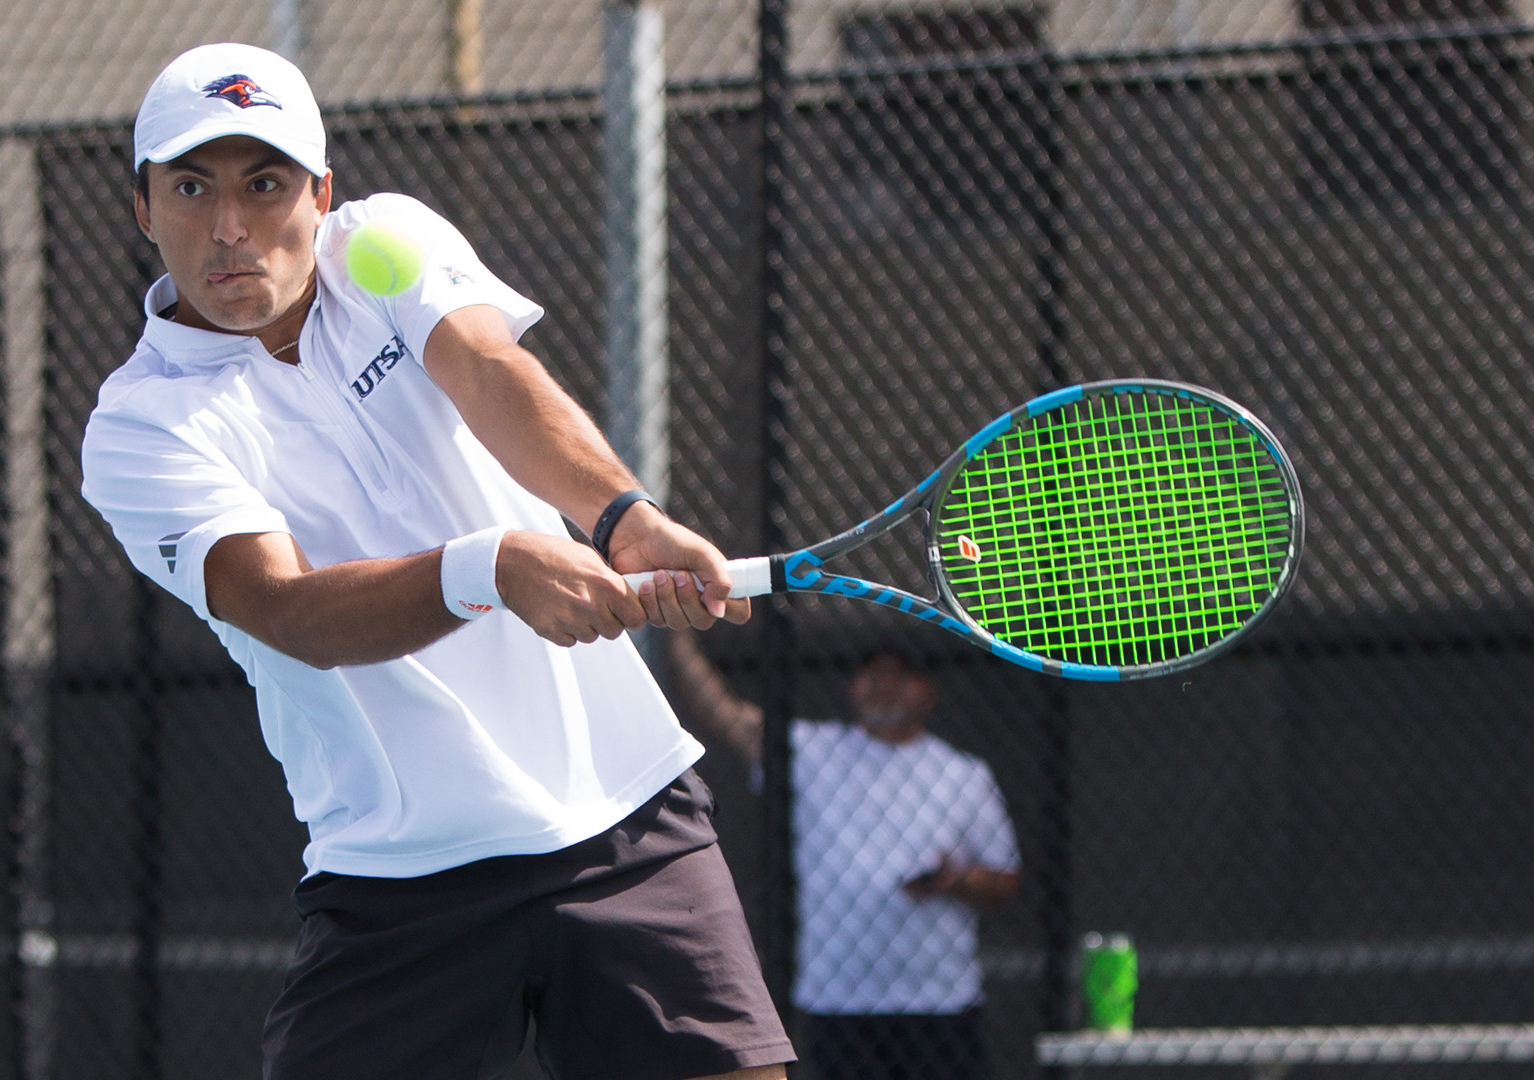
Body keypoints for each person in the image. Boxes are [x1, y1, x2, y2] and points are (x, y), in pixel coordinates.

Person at [78, 42, 796, 1080]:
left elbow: (489, 368)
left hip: (622, 812)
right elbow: (284, 609)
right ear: (144, 208)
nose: (229, 228)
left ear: (321, 194)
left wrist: (624, 519)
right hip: (399, 876)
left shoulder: (383, 244)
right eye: (191, 188)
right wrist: (490, 566)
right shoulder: (142, 426)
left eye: (264, 184)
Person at [668, 631, 1020, 1080]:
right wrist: (675, 637)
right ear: (853, 686)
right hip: (839, 1000)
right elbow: (726, 714)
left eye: (900, 673)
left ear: (928, 692)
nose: (883, 682)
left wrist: (958, 881)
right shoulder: (814, 752)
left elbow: (1006, 880)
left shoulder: (965, 774)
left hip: (940, 1001)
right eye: (872, 672)